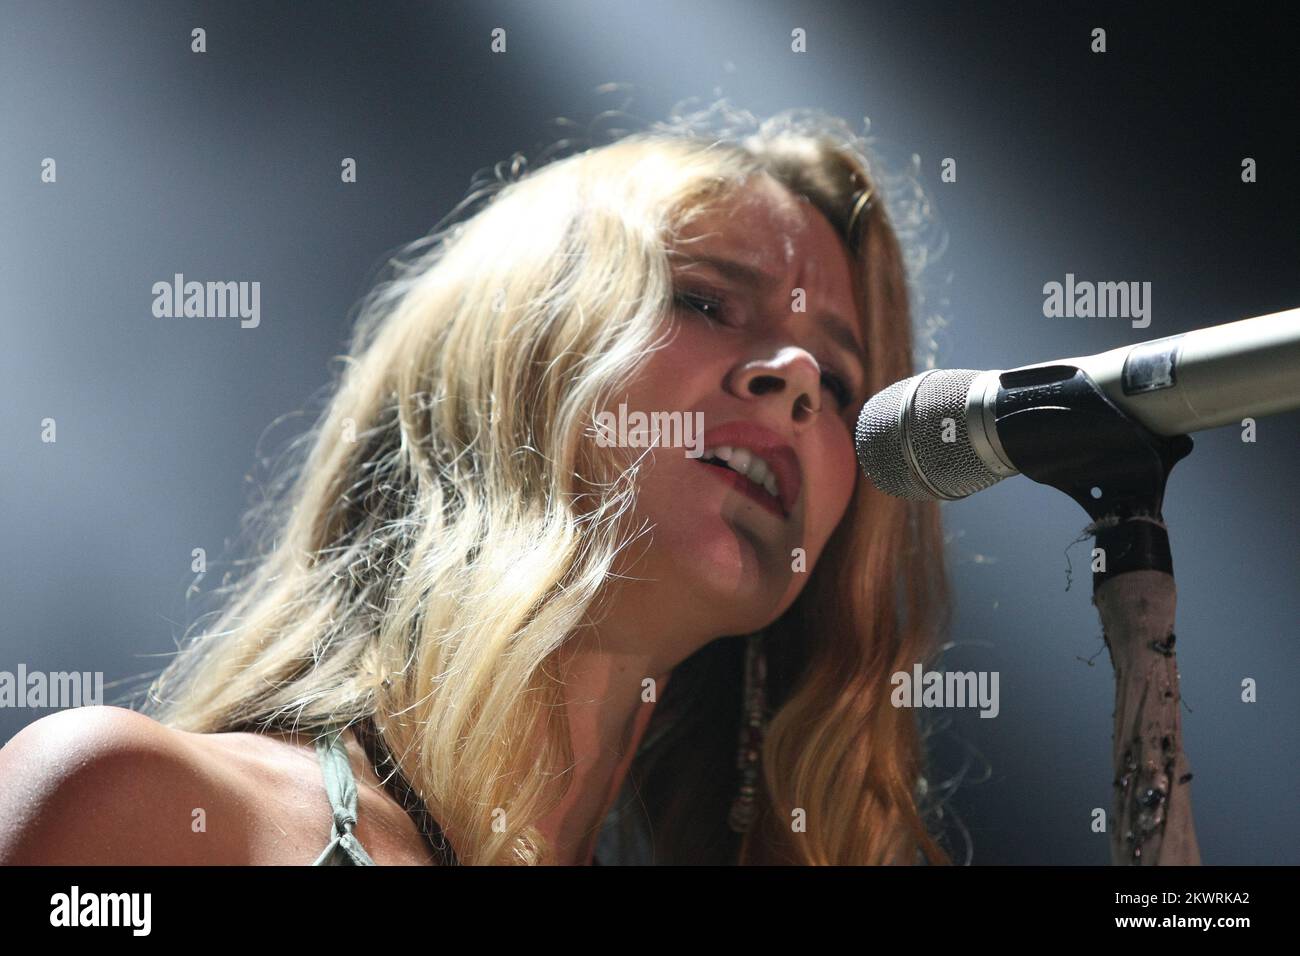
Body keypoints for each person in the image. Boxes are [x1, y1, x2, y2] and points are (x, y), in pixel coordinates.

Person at [0, 104, 953, 865]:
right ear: (509, 358)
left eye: (837, 382)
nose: (792, 379)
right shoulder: (146, 810)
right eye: (704, 299)